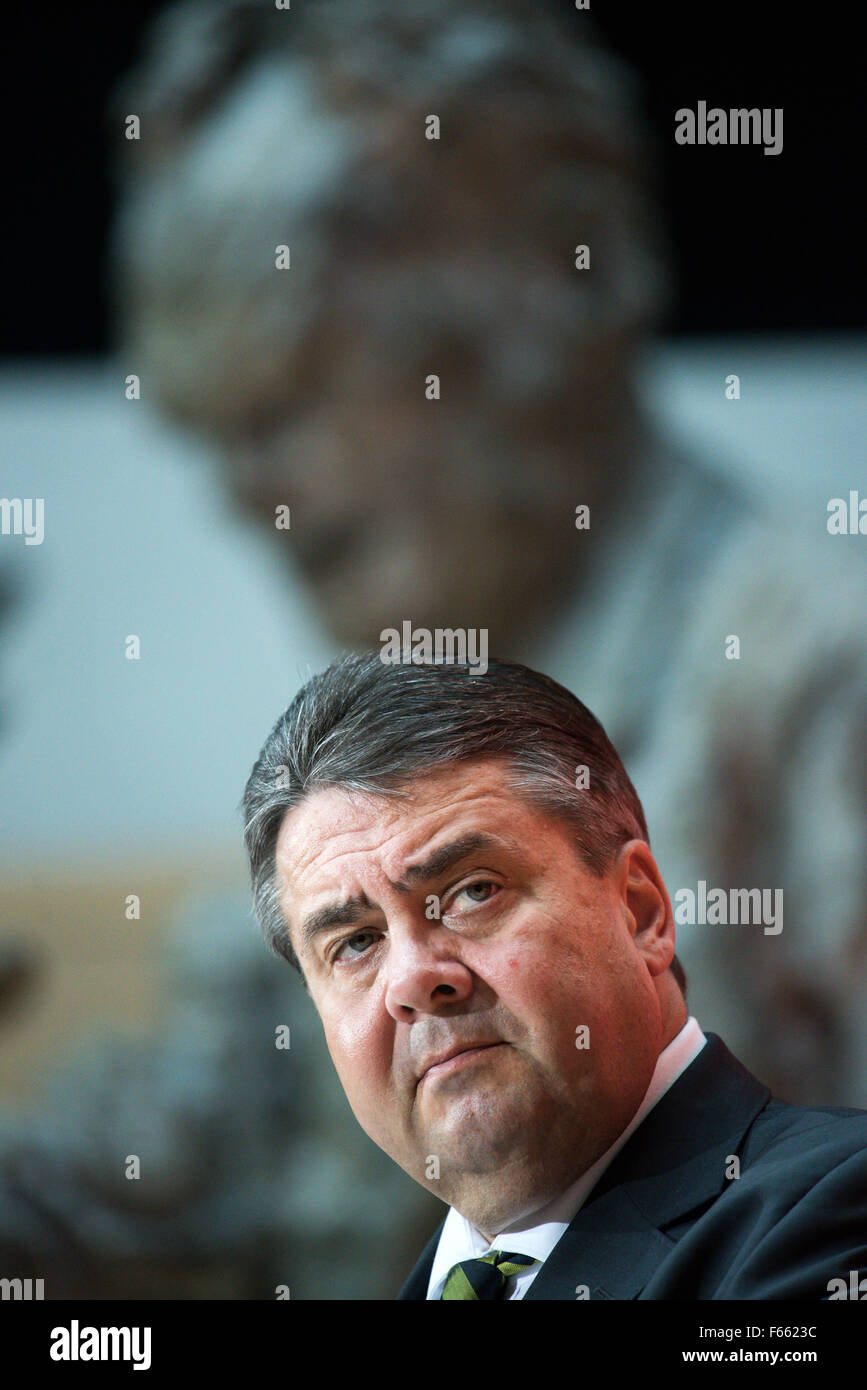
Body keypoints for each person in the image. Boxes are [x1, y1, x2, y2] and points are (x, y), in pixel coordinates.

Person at [241, 651, 867, 1300]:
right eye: (356, 943)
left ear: (639, 910)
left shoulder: (834, 1215)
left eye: (472, 892)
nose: (411, 979)